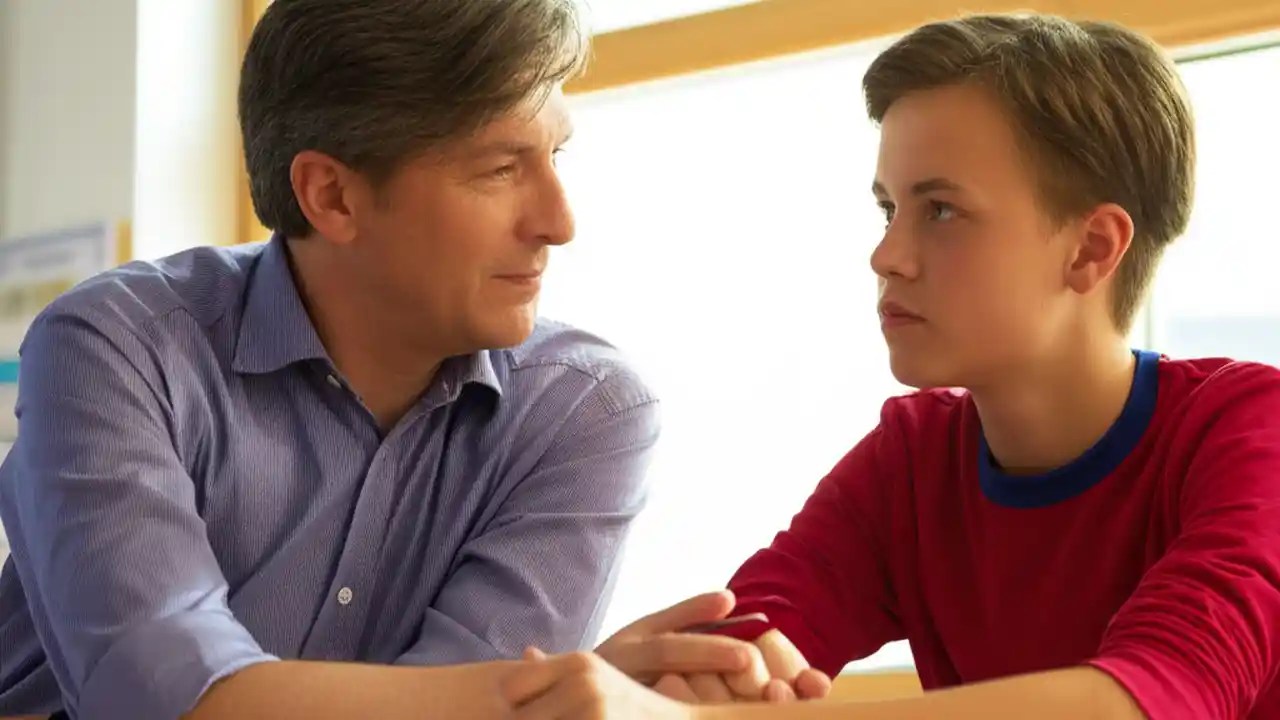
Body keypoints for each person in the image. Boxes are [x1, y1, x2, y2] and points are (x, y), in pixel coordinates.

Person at [0, 1, 774, 717]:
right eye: (501, 168)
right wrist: (534, 696)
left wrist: (531, 698)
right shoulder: (117, 346)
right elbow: (164, 699)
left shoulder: (583, 409)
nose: (558, 221)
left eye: (556, 154)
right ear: (332, 196)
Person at [498, 12, 1280, 720]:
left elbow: (1151, 699)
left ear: (1091, 248)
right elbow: (740, 643)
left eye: (940, 211)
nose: (887, 255)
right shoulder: (914, 460)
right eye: (888, 208)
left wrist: (704, 719)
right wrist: (704, 684)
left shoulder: (1251, 429)